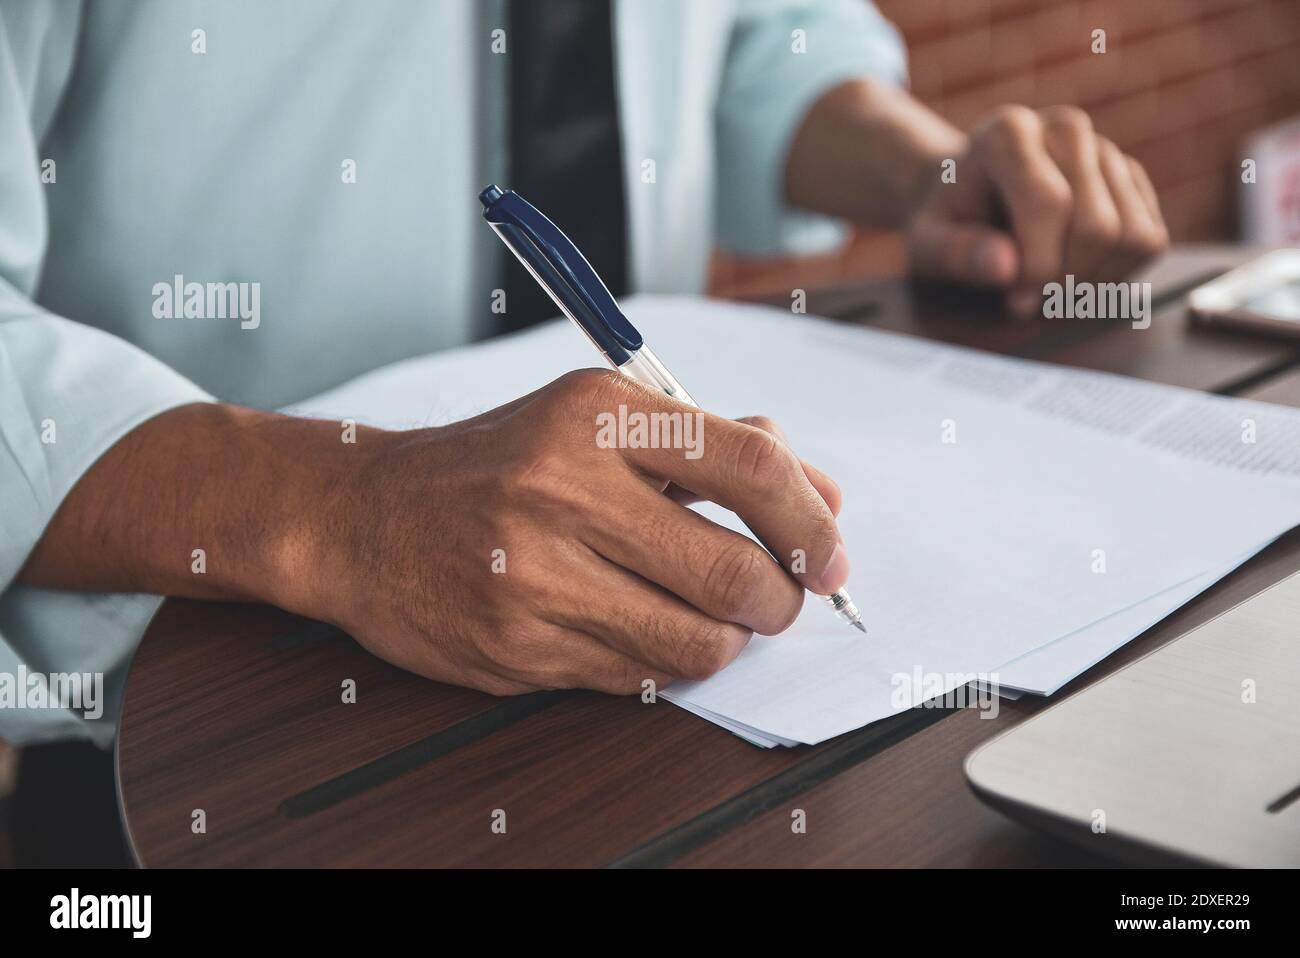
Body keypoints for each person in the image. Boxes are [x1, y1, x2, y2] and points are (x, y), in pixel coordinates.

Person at [1, 0, 1168, 749]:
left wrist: (927, 173)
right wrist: (341, 510)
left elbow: (759, 37)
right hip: (210, 723)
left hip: (625, 729)